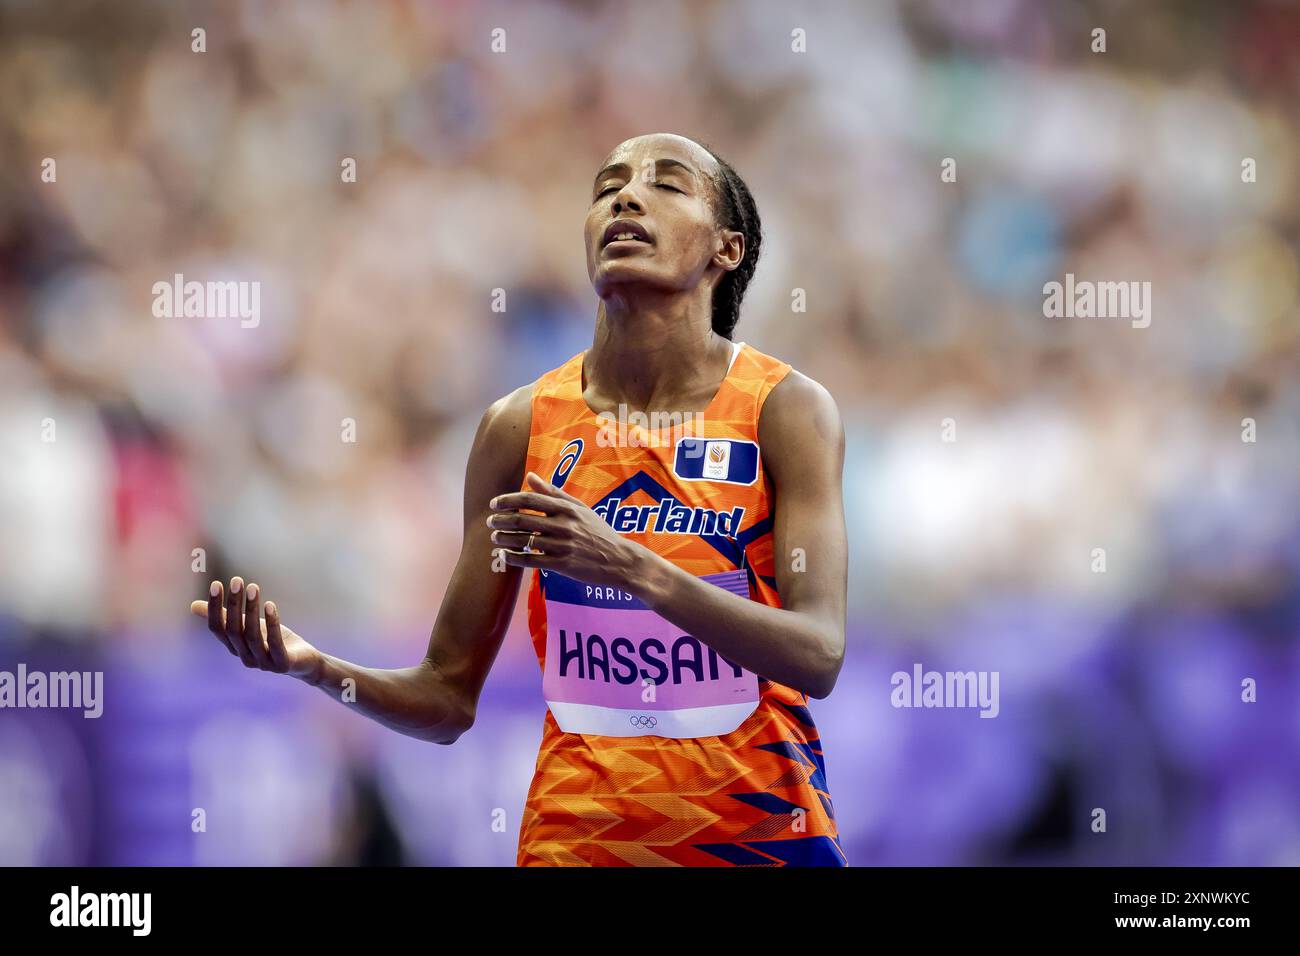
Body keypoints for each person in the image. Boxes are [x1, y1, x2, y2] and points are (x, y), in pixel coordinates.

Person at [191, 133, 849, 866]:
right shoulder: (521, 427)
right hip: (575, 845)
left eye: (666, 184)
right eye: (607, 187)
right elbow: (445, 701)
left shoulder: (785, 411)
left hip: (760, 841)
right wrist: (313, 666)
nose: (625, 197)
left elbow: (817, 654)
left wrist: (636, 571)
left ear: (726, 249)